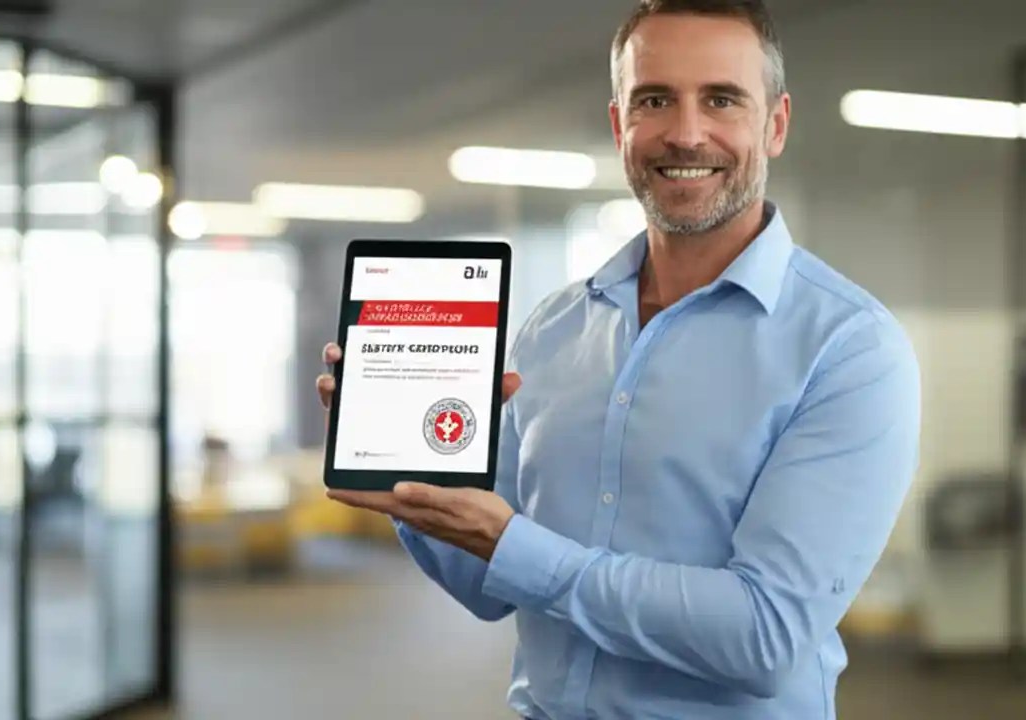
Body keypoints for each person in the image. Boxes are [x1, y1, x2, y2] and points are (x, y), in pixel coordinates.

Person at [317, 1, 921, 717]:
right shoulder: (553, 330)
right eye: (655, 99)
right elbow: (488, 582)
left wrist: (517, 546)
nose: (686, 132)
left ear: (776, 124)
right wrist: (408, 482)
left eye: (722, 99)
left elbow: (764, 635)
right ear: (619, 126)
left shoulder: (849, 348)